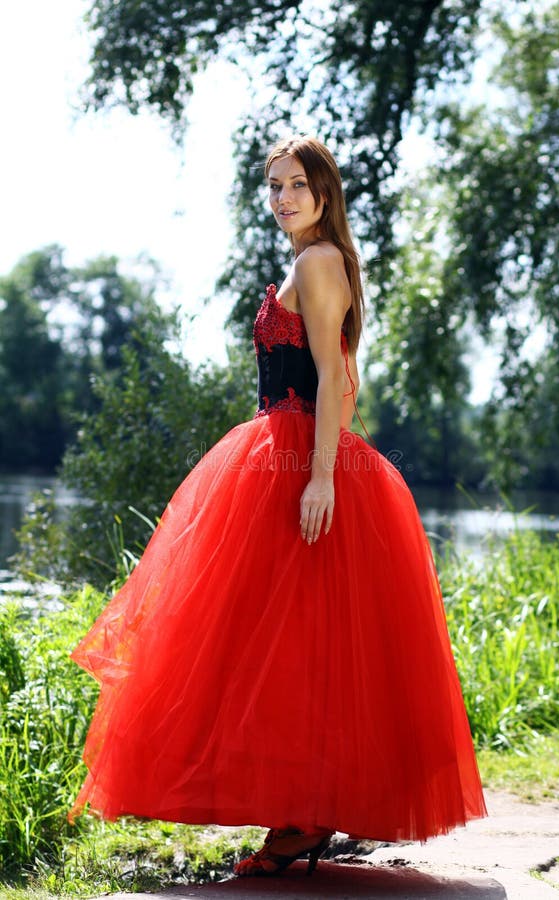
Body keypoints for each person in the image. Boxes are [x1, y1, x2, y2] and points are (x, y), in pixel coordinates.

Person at [68, 134, 487, 877]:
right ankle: (303, 810)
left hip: (299, 463)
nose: (284, 199)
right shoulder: (313, 261)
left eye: (297, 184)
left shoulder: (319, 262)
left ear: (325, 192)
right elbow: (345, 377)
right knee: (287, 642)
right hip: (281, 456)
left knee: (287, 640)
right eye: (274, 187)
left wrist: (321, 476)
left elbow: (335, 377)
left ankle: (303, 814)